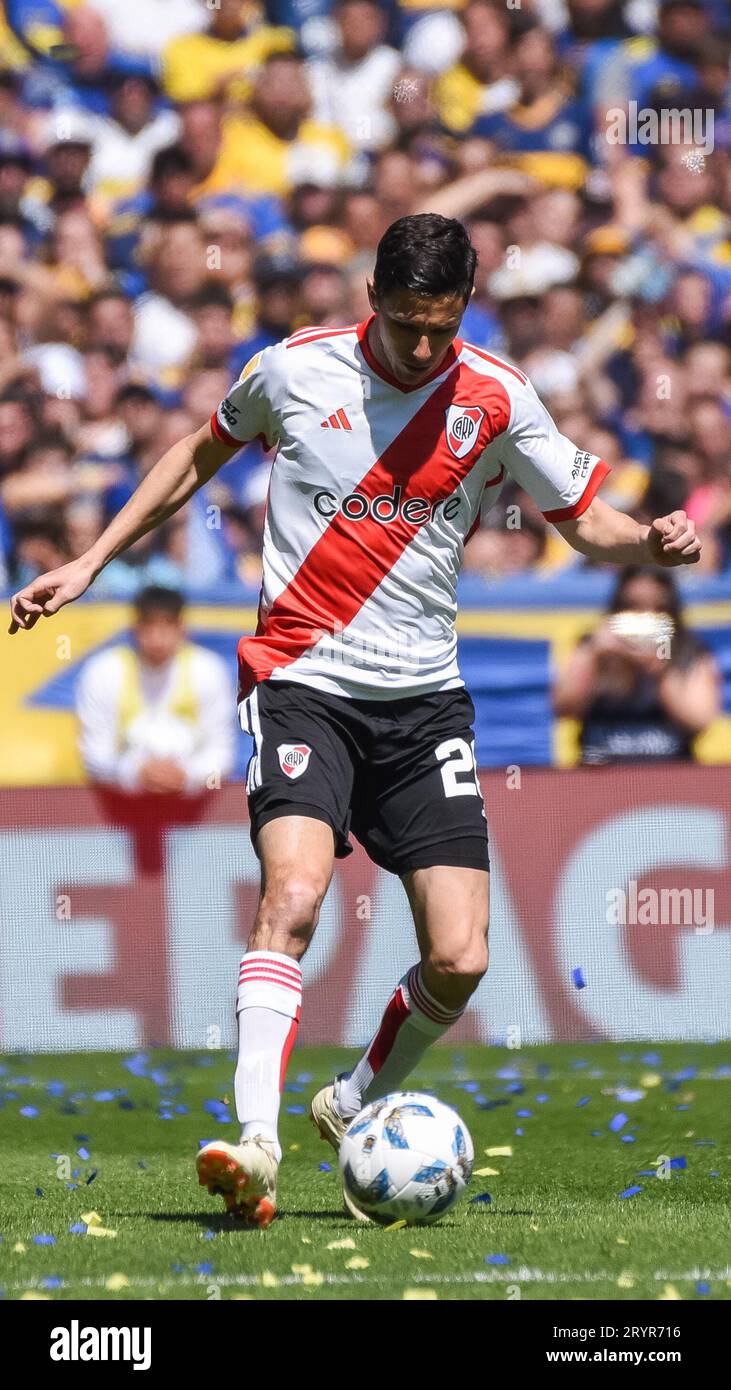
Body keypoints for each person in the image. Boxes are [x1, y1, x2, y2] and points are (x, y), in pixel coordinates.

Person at [8, 214, 702, 1228]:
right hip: (303, 682)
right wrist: (92, 560)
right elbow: (191, 457)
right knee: (292, 890)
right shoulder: (292, 372)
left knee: (460, 958)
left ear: (464, 307)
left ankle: (353, 1096)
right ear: (372, 294)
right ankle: (255, 1145)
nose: (422, 347)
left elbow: (580, 518)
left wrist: (650, 542)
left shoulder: (496, 395)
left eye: (441, 325)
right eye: (406, 323)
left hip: (422, 704)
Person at [75, 585, 236, 793]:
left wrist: (189, 776)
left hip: (194, 813)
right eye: (149, 625)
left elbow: (221, 751)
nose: (157, 636)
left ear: (182, 628)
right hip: (119, 811)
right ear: (135, 627)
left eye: (167, 625)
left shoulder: (208, 670)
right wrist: (134, 773)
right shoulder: (103, 671)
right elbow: (94, 753)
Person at [552, 565, 720, 764]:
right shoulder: (593, 647)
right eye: (633, 606)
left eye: (658, 608)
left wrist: (661, 672)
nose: (645, 614)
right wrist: (592, 655)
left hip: (669, 772)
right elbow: (564, 708)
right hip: (600, 772)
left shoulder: (689, 649)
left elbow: (700, 721)